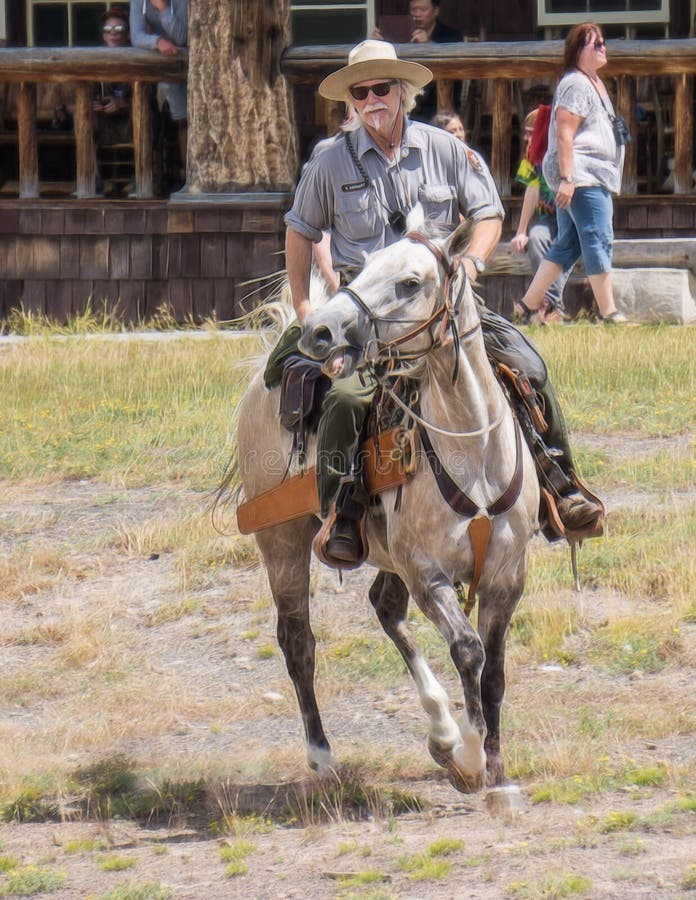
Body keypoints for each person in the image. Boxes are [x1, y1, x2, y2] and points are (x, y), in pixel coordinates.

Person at [266, 39, 604, 563]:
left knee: (528, 365)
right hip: (369, 315)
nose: (373, 98)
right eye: (361, 91)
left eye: (382, 87)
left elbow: (489, 214)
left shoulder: (445, 149)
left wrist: (471, 264)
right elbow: (299, 230)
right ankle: (343, 512)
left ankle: (561, 486)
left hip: (447, 302)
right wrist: (305, 306)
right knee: (348, 399)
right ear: (351, 101)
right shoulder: (329, 162)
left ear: (403, 92)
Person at [515, 23, 629, 324]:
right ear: (579, 50)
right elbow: (565, 132)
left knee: (568, 243)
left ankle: (526, 306)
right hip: (583, 175)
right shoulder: (576, 84)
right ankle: (609, 312)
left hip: (588, 174)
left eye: (604, 43)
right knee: (597, 236)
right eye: (596, 44)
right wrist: (568, 179)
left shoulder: (592, 82)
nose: (603, 48)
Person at [511, 106, 569, 325]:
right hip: (549, 219)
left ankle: (546, 306)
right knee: (537, 239)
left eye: (530, 132)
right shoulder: (530, 156)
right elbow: (531, 190)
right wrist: (521, 230)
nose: (526, 138)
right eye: (525, 132)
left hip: (572, 219)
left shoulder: (560, 152)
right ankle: (554, 307)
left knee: (564, 247)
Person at [374, 0, 462, 123]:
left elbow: (456, 64)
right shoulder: (400, 32)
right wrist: (376, 44)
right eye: (413, 10)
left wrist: (429, 45)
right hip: (407, 96)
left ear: (436, 11)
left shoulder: (451, 35)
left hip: (438, 98)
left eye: (423, 9)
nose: (417, 14)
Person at [129, 0, 188, 180]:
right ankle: (186, 176)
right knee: (181, 121)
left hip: (191, 64)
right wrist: (157, 41)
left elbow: (182, 37)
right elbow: (136, 36)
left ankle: (192, 176)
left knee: (194, 121)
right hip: (164, 67)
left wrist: (163, 10)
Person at [94, 6, 133, 192]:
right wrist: (92, 103)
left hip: (131, 119)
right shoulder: (96, 62)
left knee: (145, 117)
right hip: (105, 120)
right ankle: (94, 178)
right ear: (103, 35)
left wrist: (122, 104)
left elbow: (149, 97)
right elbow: (89, 92)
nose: (113, 34)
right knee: (84, 118)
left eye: (118, 30)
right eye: (108, 30)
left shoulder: (139, 60)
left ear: (127, 34)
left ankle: (138, 179)